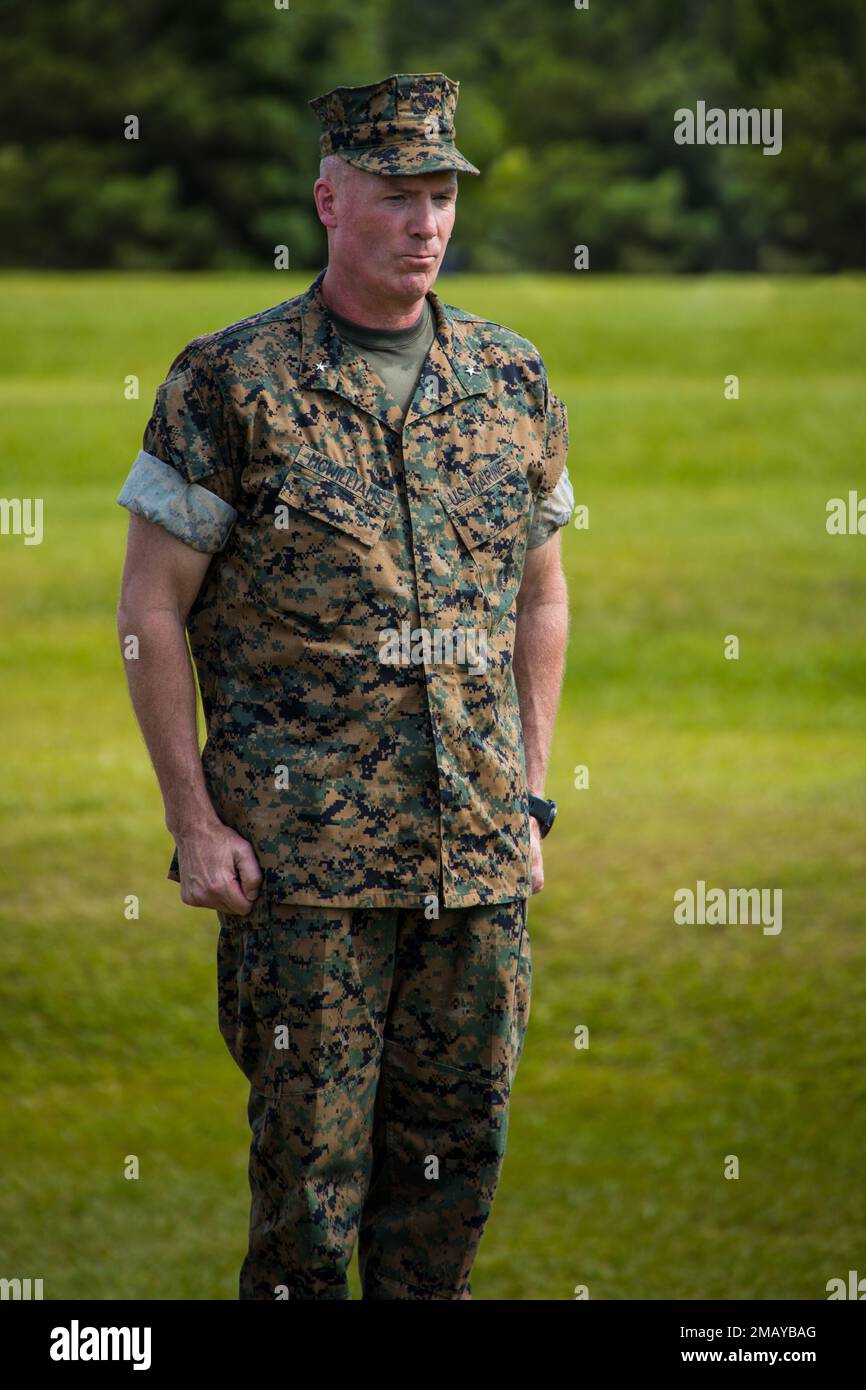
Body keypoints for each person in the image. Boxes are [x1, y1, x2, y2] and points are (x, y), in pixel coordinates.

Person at [115, 71, 572, 1300]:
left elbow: (539, 597)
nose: (425, 224)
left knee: (450, 1189)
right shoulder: (230, 381)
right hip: (304, 874)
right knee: (307, 1212)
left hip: (474, 865)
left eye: (440, 197)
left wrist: (528, 798)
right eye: (395, 196)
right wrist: (193, 821)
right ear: (328, 201)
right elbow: (150, 611)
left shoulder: (510, 379)